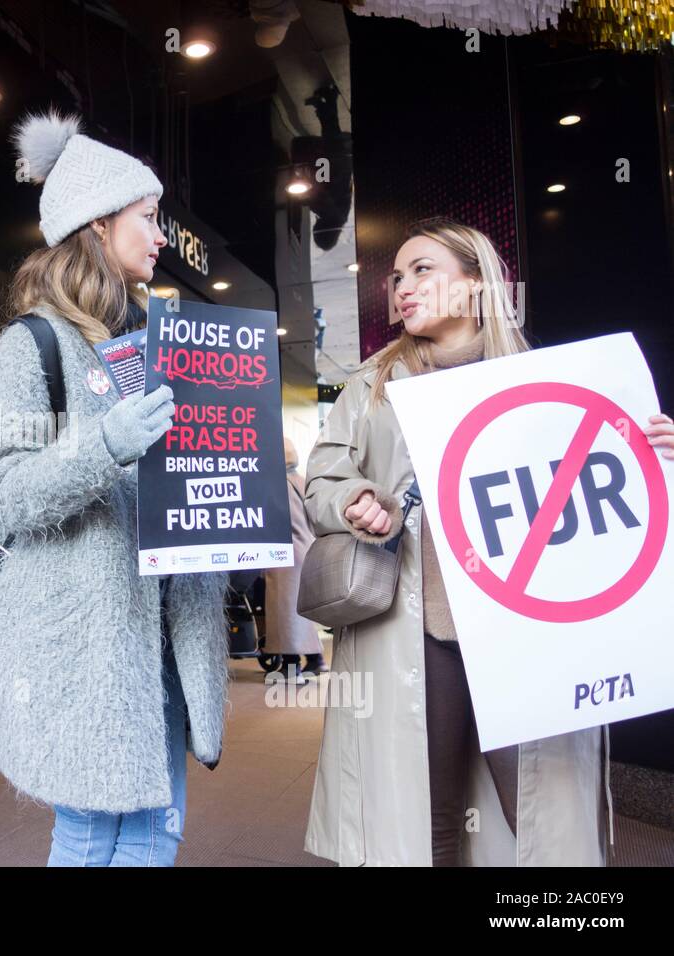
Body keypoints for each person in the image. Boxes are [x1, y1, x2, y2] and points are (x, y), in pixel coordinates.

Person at [302, 216, 674, 866]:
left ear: (476, 284)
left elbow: (597, 492)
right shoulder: (372, 384)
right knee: (429, 816)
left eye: (424, 270)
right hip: (419, 628)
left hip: (524, 630)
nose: (402, 288)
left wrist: (654, 455)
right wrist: (351, 500)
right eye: (397, 276)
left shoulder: (548, 379)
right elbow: (325, 475)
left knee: (538, 814)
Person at [0, 112, 230, 867]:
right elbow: (3, 497)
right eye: (146, 219)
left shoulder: (166, 347)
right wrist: (105, 445)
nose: (159, 237)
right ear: (94, 225)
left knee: (157, 831)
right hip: (86, 641)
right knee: (90, 833)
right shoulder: (28, 348)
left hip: (166, 634)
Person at [262, 437, 324, 682]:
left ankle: (291, 668)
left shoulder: (278, 485)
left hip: (287, 555)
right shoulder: (302, 480)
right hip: (307, 550)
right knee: (301, 613)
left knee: (285, 613)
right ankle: (316, 660)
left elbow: (277, 522)